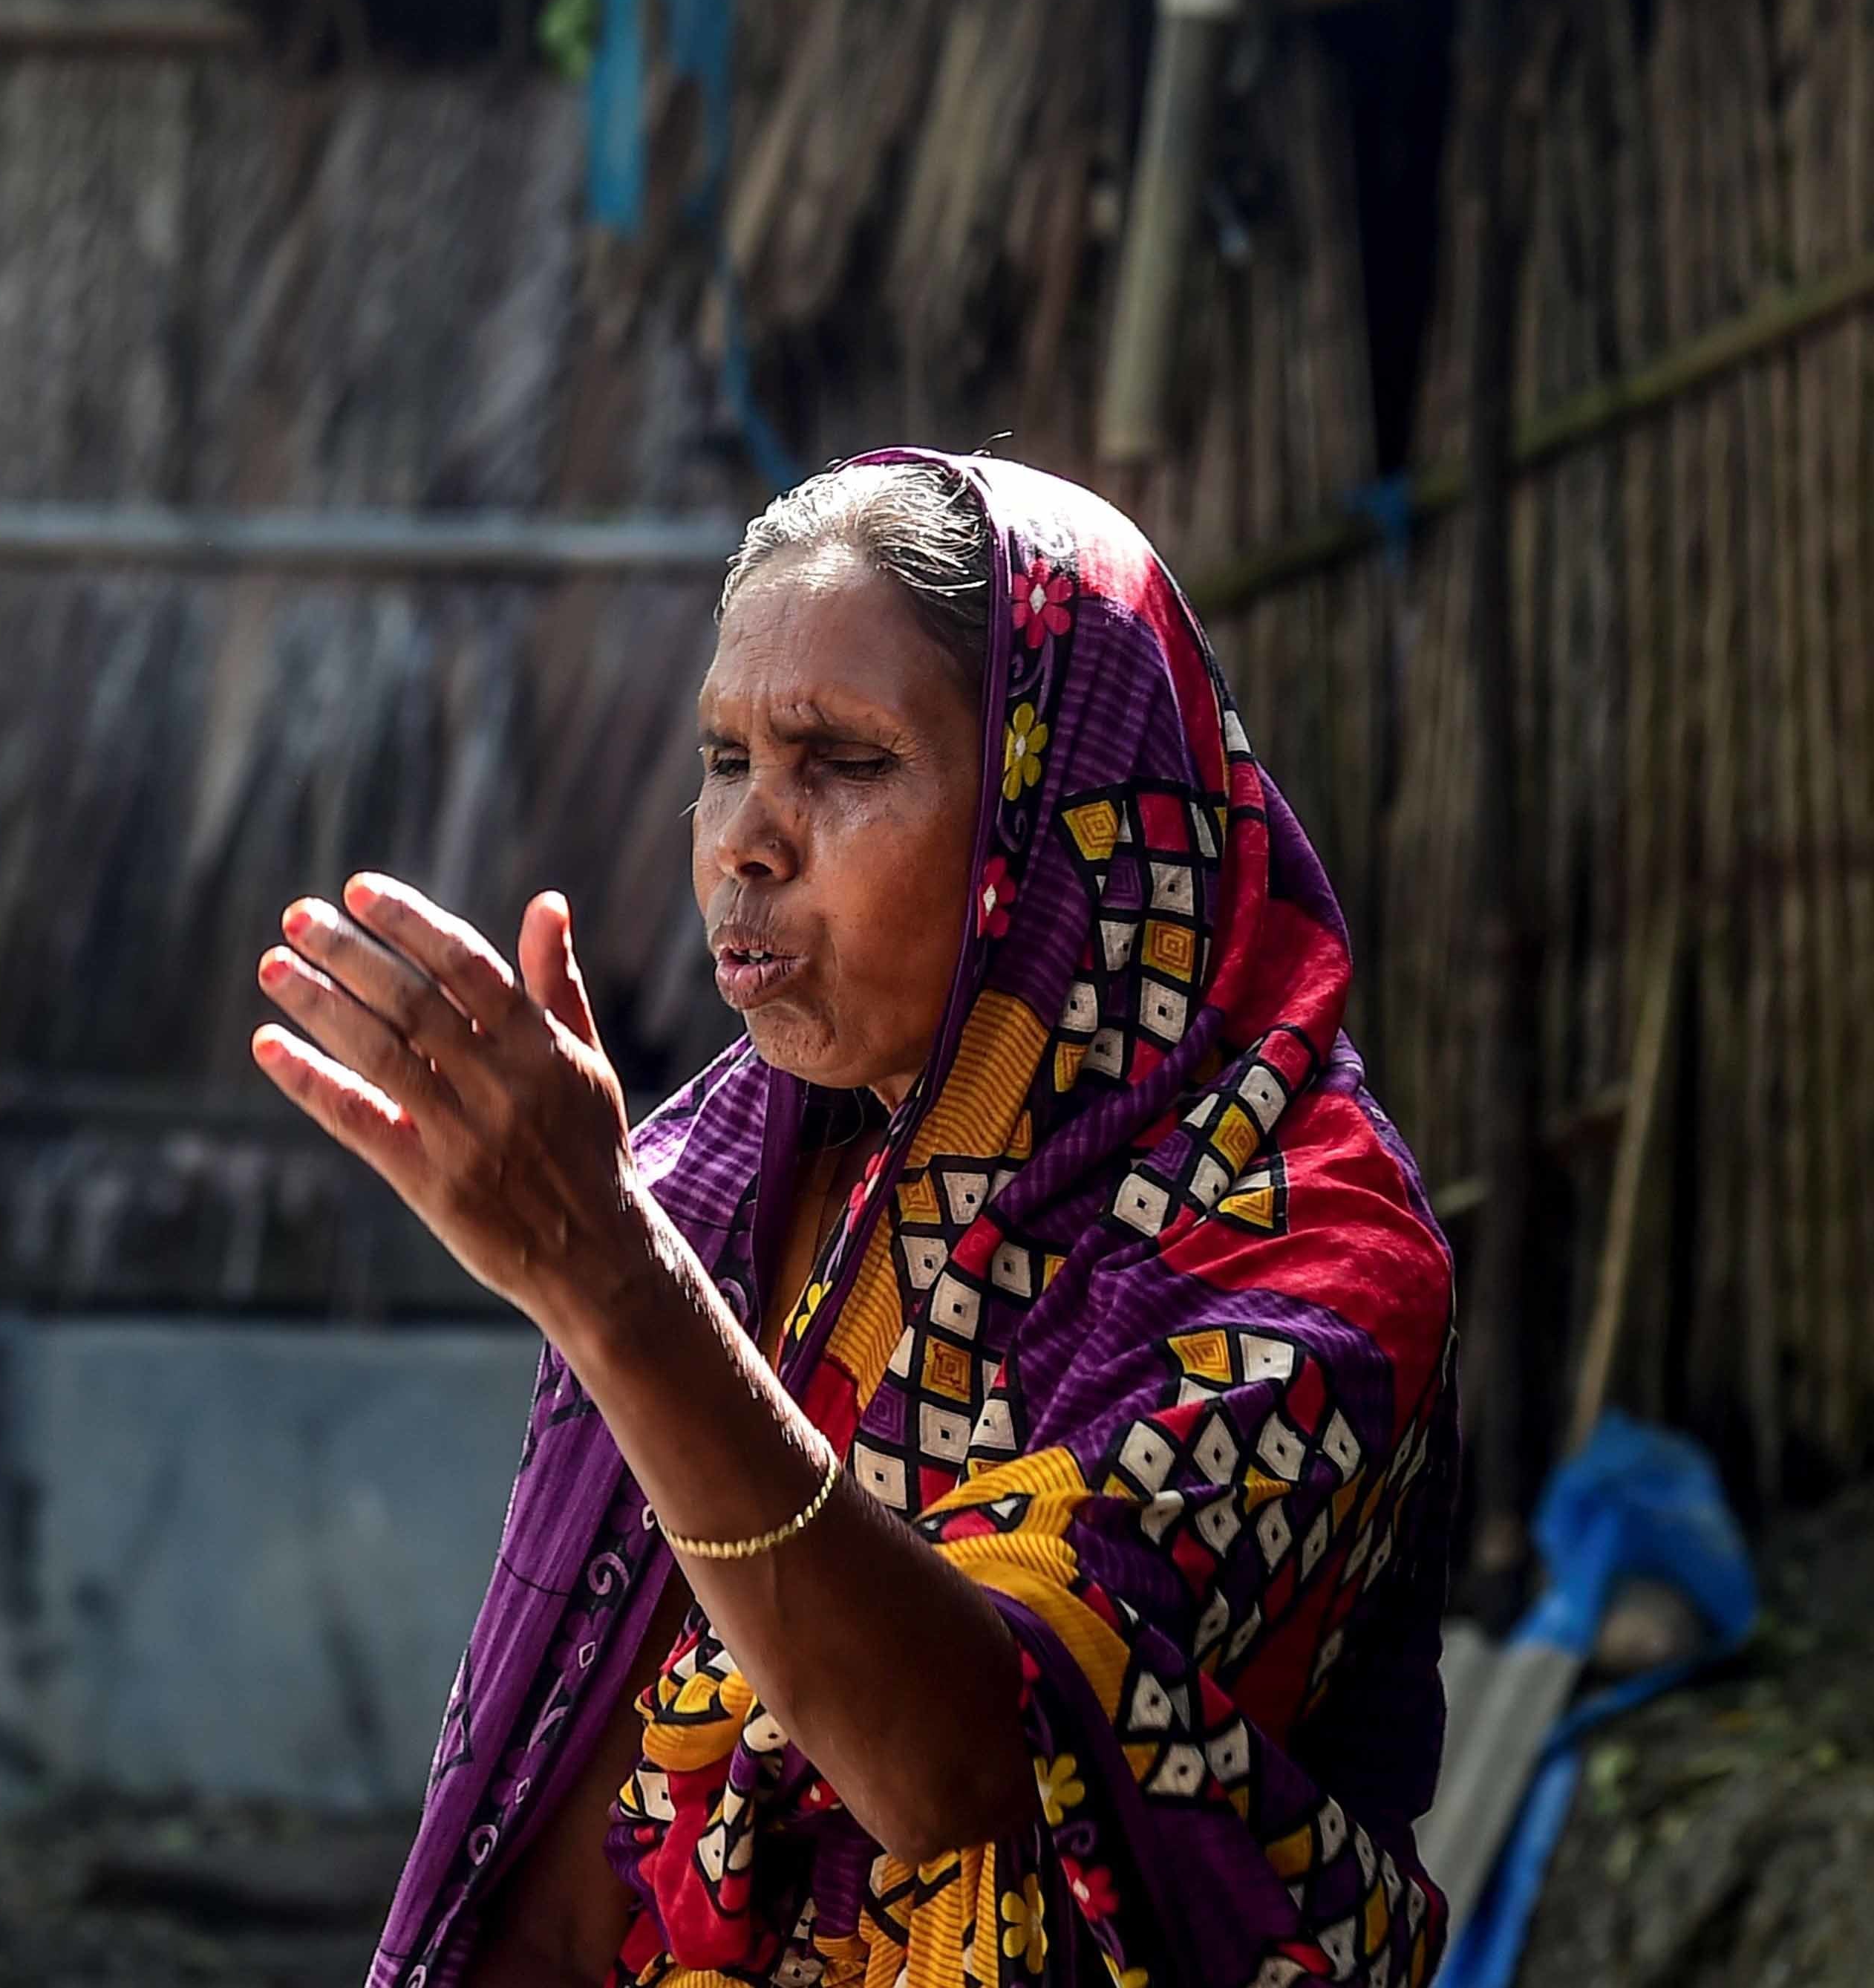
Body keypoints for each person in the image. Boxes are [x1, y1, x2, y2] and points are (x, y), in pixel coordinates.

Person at [253, 452, 1459, 1988]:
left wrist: (614, 1287)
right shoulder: (719, 1189)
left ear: (1055, 807)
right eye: (726, 756)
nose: (746, 838)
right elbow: (563, 1886)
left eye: (841, 761)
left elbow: (985, 1771)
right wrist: (618, 1269)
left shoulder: (1314, 1259)